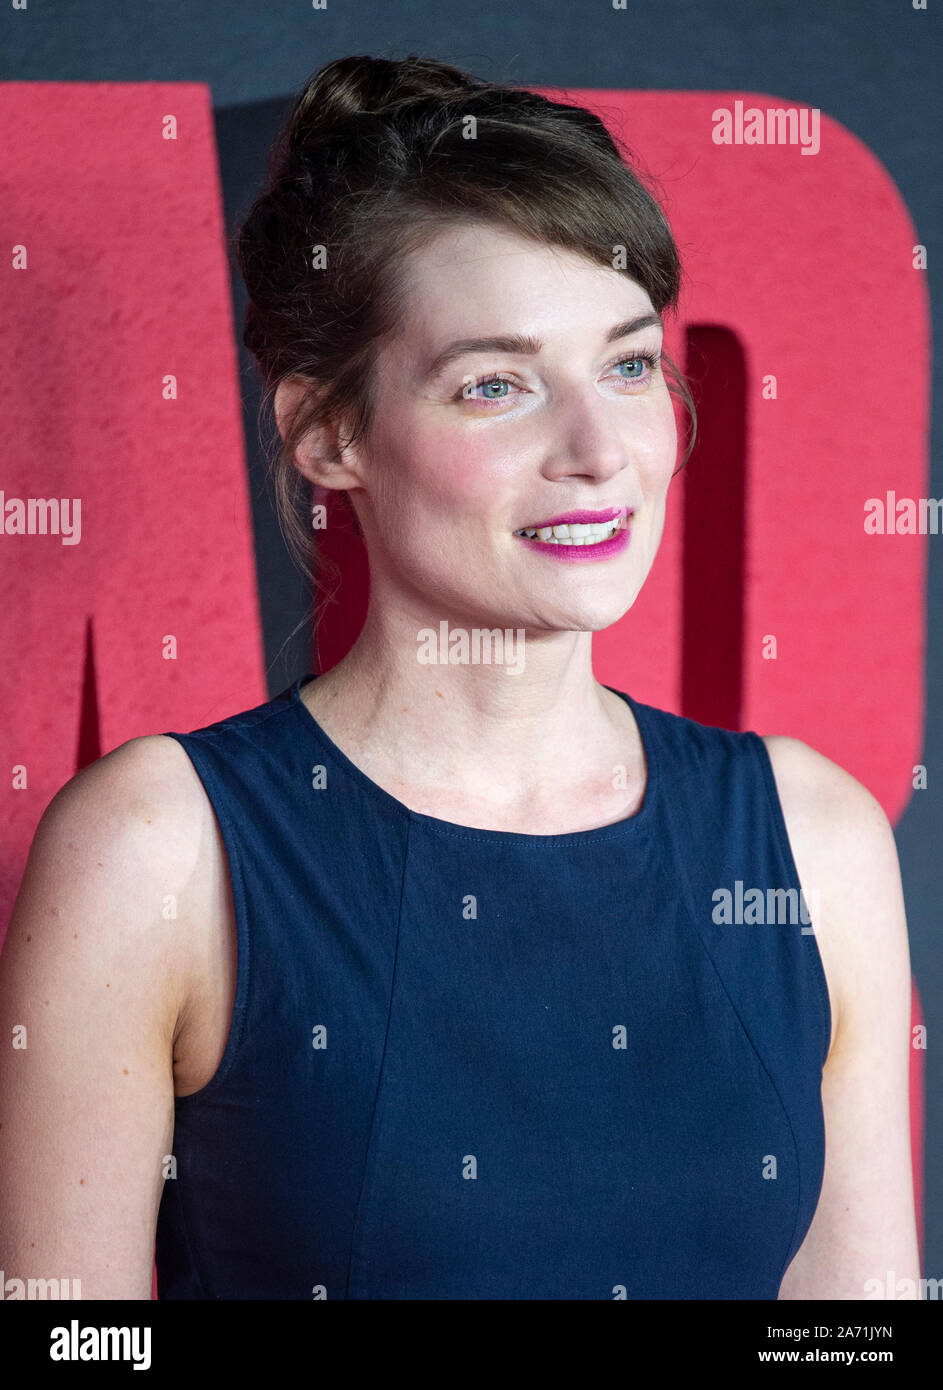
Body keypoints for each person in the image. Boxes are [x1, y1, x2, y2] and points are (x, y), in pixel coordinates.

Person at [0, 54, 919, 1300]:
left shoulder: (811, 837)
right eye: (495, 385)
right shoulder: (158, 847)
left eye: (630, 364)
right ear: (327, 432)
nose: (599, 452)